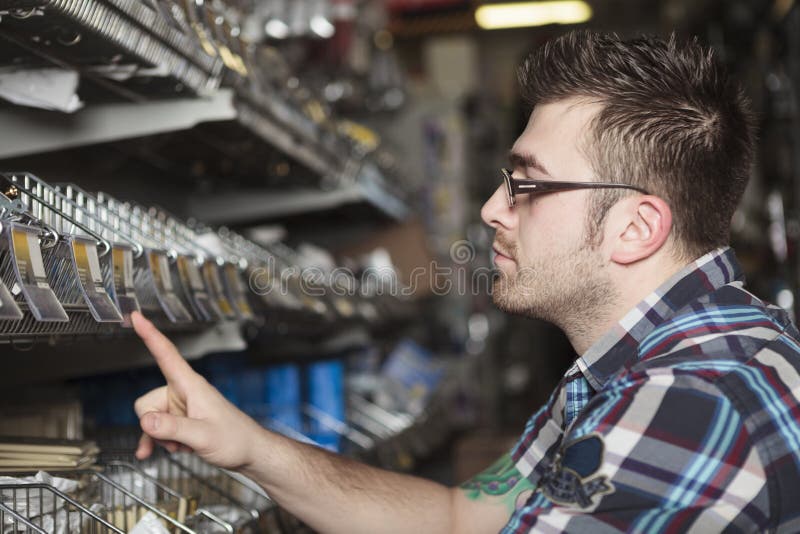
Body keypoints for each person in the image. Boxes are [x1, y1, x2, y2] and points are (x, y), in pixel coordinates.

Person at [132, 30, 800, 533]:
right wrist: (249, 447)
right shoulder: (658, 359)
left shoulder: (684, 404)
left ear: (635, 227)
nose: (491, 208)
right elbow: (460, 518)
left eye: (527, 184)